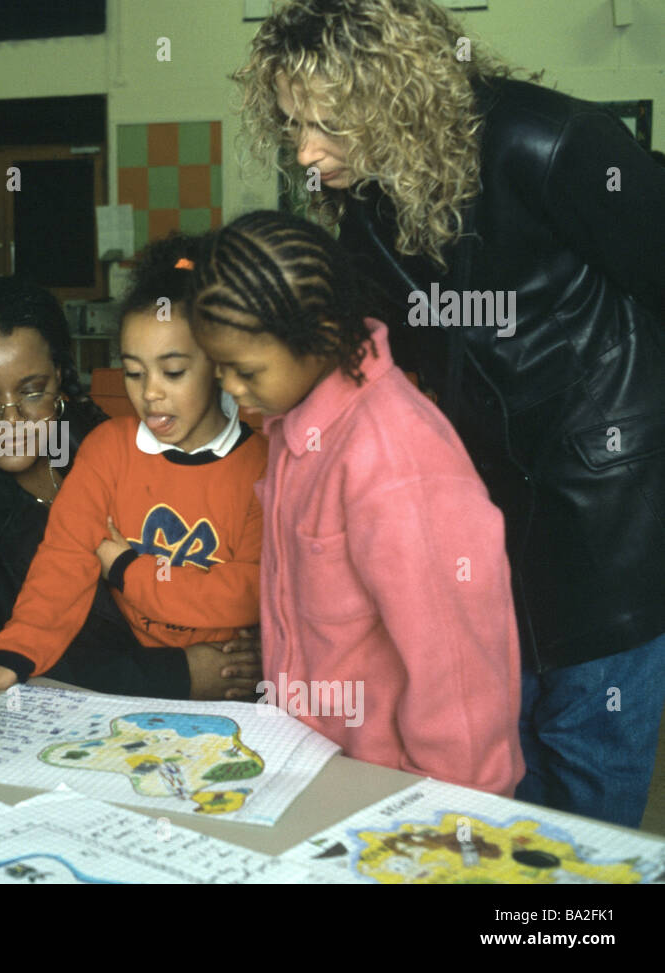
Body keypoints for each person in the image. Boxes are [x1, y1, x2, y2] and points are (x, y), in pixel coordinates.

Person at [237, 0, 665, 824]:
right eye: (294, 123)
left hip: (606, 518)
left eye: (327, 123)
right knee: (503, 776)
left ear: (397, 93)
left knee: (583, 783)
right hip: (486, 514)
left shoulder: (551, 143)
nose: (305, 152)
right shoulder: (367, 195)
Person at [191, 210, 524, 796]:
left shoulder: (395, 458)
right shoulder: (296, 422)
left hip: (405, 794)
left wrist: (454, 809)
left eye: (244, 370)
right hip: (314, 768)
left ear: (318, 335)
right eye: (218, 366)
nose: (230, 388)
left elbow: (460, 670)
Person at [0, 274, 253, 719]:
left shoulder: (92, 438)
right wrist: (179, 673)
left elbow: (208, 538)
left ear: (60, 379)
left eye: (32, 390)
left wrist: (237, 631)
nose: (13, 419)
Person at [0, 236, 267, 698]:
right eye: (133, 371)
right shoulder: (108, 450)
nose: (149, 393)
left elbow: (248, 592)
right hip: (150, 678)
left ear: (222, 367)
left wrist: (128, 570)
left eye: (172, 372)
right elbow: (63, 561)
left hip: (245, 684)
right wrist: (18, 653)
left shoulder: (264, 467)